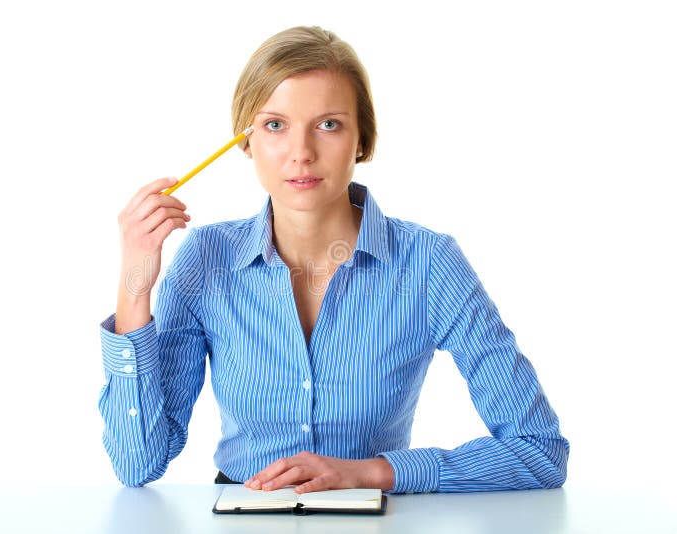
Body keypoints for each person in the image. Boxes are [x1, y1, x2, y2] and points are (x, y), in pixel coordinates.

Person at [98, 25, 569, 494]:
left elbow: (539, 450)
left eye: (328, 124)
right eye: (275, 125)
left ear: (362, 140)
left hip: (376, 515)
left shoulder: (428, 263)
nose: (301, 154)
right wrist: (134, 285)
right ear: (246, 141)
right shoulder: (204, 260)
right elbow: (138, 463)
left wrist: (372, 473)